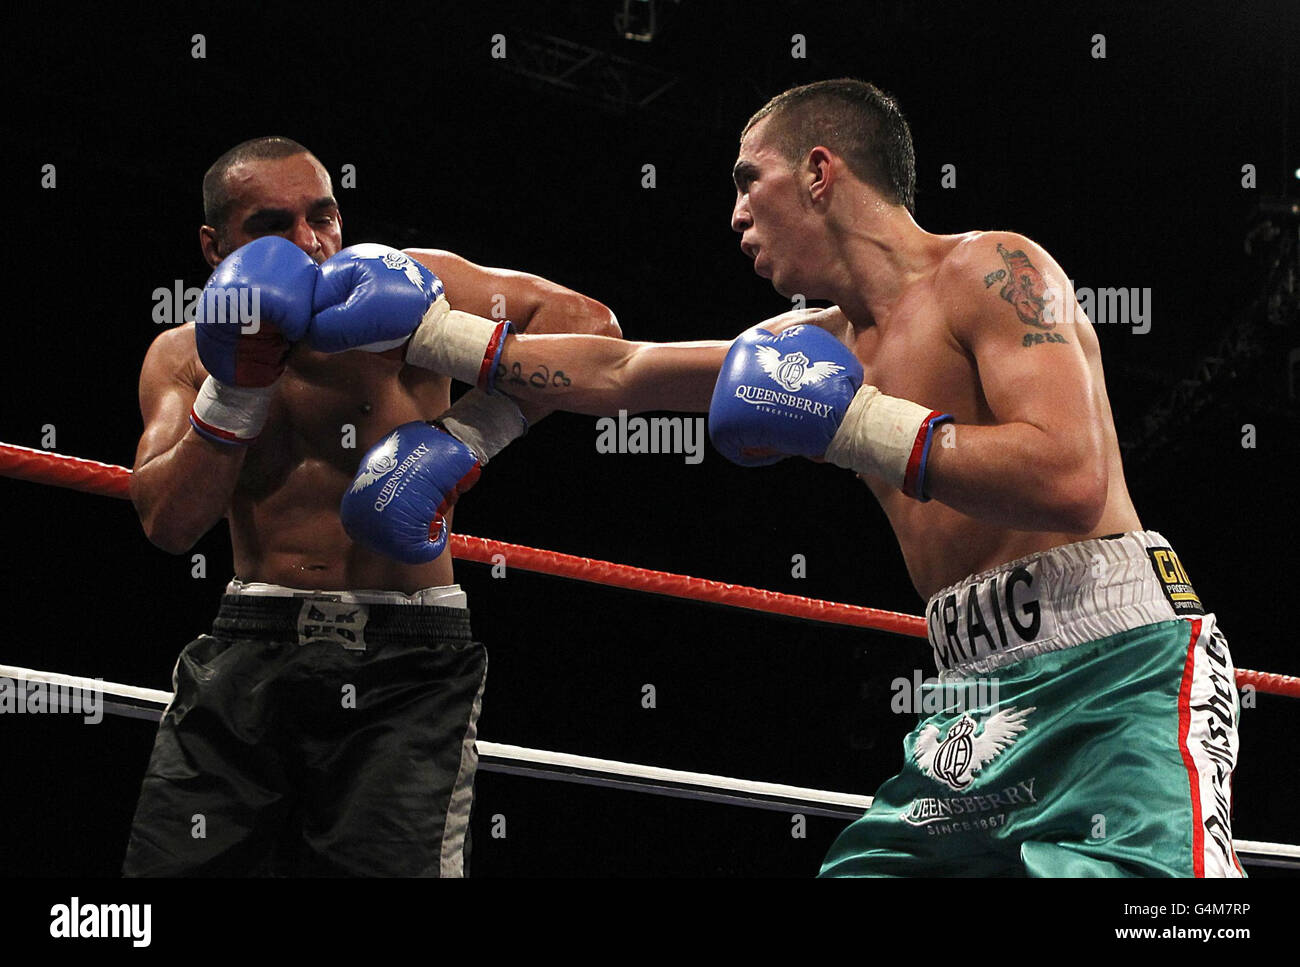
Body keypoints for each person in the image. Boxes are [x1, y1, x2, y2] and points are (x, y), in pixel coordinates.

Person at [347, 79, 1243, 877]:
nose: (733, 213)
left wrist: (859, 423)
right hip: (973, 689)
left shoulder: (992, 268)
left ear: (821, 170)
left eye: (748, 179)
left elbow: (1072, 479)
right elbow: (624, 370)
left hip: (1122, 671)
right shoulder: (802, 346)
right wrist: (436, 335)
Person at [123, 136, 618, 877]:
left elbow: (591, 327)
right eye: (271, 226)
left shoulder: (416, 288)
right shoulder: (185, 354)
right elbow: (168, 522)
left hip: (405, 661)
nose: (309, 243)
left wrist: (466, 438)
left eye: (322, 217)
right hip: (248, 648)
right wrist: (237, 387)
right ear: (214, 244)